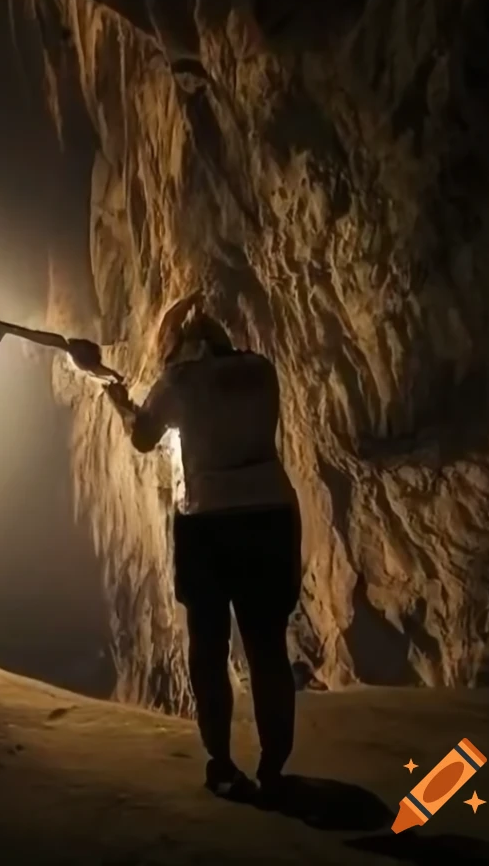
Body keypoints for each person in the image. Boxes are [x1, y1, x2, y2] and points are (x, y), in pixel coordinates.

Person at [76, 296, 302, 804]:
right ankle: (275, 768)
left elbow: (143, 436)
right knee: (267, 648)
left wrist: (113, 391)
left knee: (209, 647)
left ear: (176, 349)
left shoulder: (177, 383)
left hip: (207, 522)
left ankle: (222, 763)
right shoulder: (261, 370)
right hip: (271, 516)